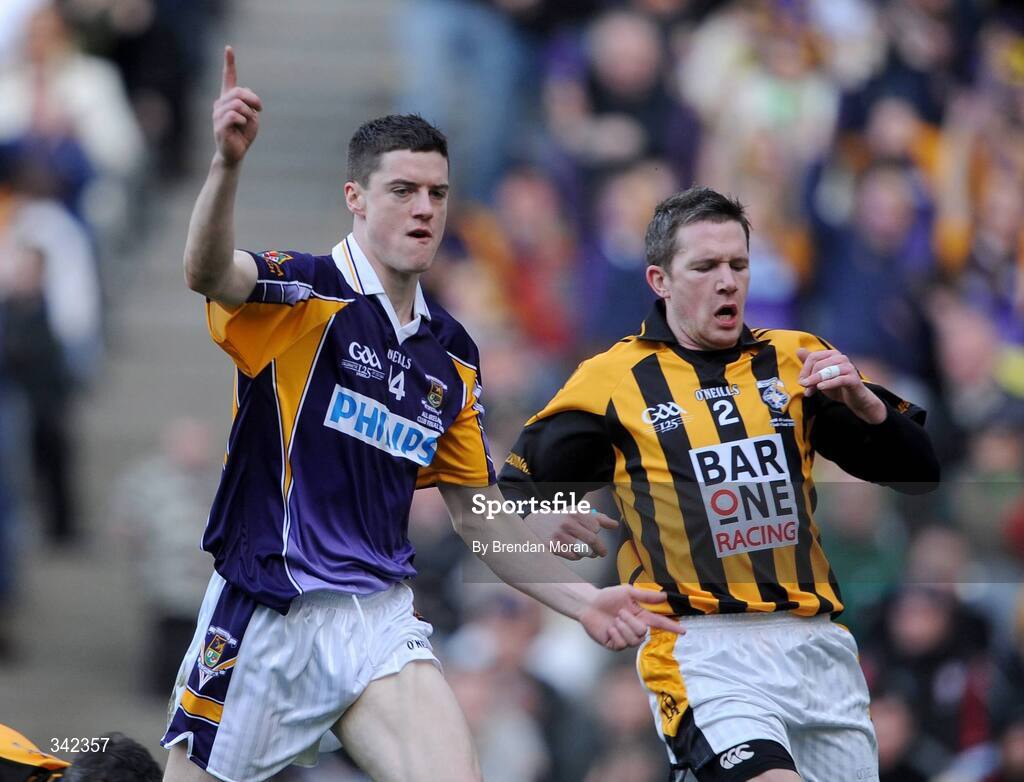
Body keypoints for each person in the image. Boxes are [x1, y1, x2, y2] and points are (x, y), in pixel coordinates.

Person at [161, 46, 683, 782]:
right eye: (403, 190)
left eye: (437, 193)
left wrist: (581, 600)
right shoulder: (304, 294)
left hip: (377, 620)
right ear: (355, 197)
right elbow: (208, 272)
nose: (424, 209)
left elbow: (474, 513)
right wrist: (226, 165)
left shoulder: (452, 354)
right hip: (268, 612)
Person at [500, 186, 941, 782]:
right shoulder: (611, 380)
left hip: (817, 646)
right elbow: (499, 502)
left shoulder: (797, 359)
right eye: (705, 266)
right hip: (701, 648)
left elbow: (920, 476)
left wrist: (868, 406)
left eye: (738, 264)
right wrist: (538, 514)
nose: (727, 281)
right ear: (659, 280)